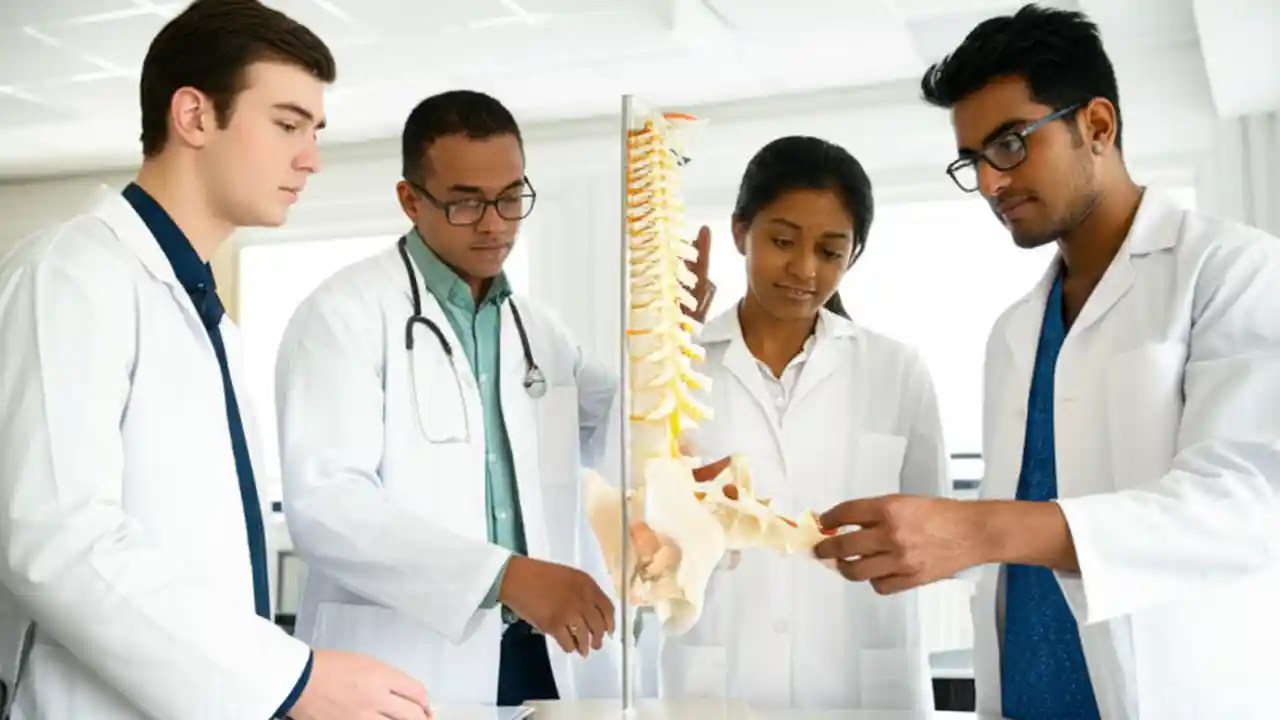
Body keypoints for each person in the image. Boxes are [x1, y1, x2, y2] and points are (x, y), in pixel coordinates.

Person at [814, 5, 1280, 719]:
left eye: (1009, 144)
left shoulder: (1233, 271)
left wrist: (977, 529)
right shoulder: (1014, 332)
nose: (992, 183)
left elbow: (1247, 505)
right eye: (973, 161)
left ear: (1097, 125)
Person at [0, 1, 432, 719]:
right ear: (195, 116)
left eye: (314, 132)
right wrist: (289, 679)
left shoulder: (204, 315)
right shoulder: (72, 274)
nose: (312, 158)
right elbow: (55, 541)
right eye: (288, 124)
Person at [275, 90, 681, 707]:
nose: (495, 223)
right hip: (405, 657)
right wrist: (506, 577)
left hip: (541, 654)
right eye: (466, 202)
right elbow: (328, 507)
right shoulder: (343, 316)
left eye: (512, 197)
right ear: (411, 200)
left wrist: (669, 333)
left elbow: (625, 441)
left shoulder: (539, 330)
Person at [656, 136, 949, 711]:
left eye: (831, 251)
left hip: (862, 684)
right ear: (741, 231)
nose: (804, 269)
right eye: (783, 241)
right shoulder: (675, 368)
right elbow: (633, 538)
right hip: (718, 685)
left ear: (854, 255)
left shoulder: (897, 371)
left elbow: (933, 533)